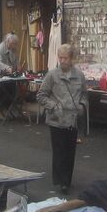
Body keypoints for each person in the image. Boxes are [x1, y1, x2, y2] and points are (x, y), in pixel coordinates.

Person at [37, 43, 87, 195]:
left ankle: (67, 180)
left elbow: (84, 94)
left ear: (71, 59)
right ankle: (62, 182)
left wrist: (82, 106)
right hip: (56, 119)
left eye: (65, 58)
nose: (62, 61)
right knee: (59, 151)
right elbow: (41, 95)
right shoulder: (52, 75)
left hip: (72, 119)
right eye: (60, 58)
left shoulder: (79, 75)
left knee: (70, 152)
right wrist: (53, 106)